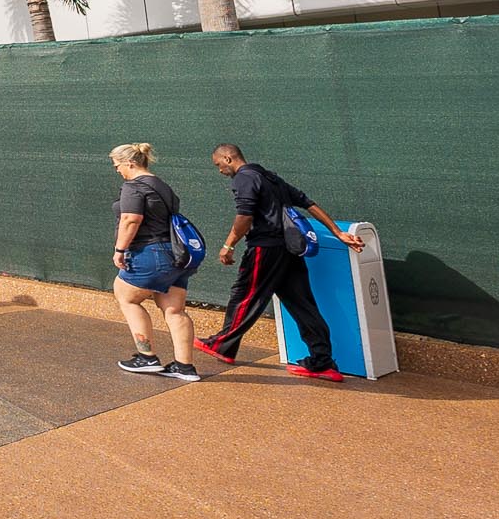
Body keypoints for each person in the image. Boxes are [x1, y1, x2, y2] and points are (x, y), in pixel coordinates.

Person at [195, 143, 364, 381]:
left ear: (228, 158)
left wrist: (228, 245)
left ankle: (221, 345)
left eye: (218, 165)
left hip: (266, 248)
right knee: (302, 304)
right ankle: (322, 362)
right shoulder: (271, 178)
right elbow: (309, 203)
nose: (219, 170)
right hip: (289, 251)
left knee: (245, 295)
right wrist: (337, 232)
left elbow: (244, 216)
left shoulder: (244, 178)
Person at [106, 143, 200, 382]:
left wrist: (120, 249)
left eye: (118, 166)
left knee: (126, 296)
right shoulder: (162, 186)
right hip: (176, 255)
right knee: (175, 310)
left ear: (130, 163)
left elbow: (130, 219)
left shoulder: (134, 186)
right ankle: (184, 366)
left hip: (150, 251)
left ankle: (146, 357)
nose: (117, 170)